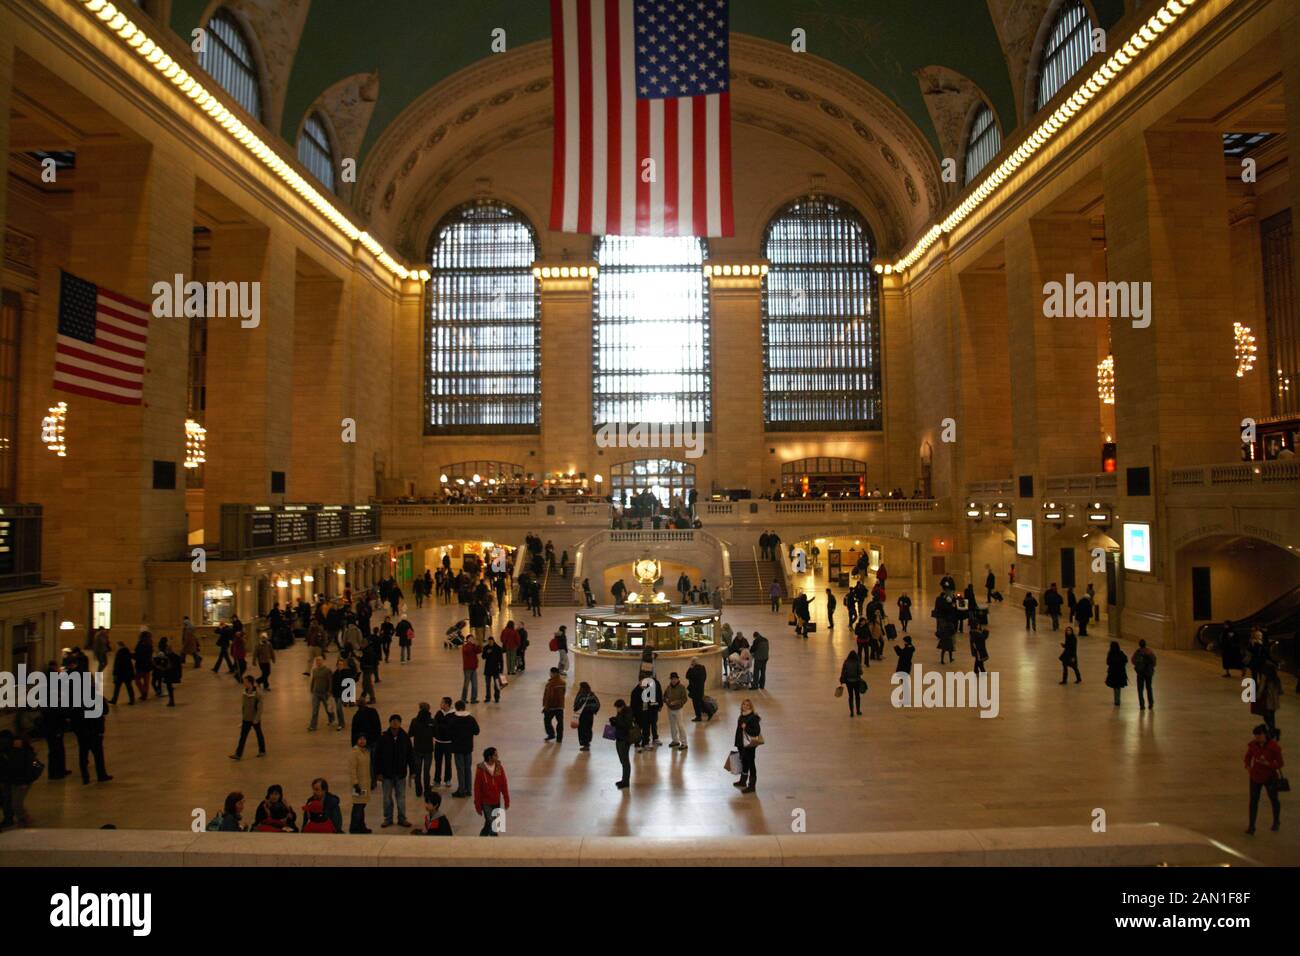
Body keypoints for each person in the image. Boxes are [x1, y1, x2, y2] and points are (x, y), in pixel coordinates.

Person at [374, 714, 413, 828]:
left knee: (401, 798)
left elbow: (410, 755)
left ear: (400, 723)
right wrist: (378, 773)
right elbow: (377, 756)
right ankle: (388, 819)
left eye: (397, 721)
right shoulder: (383, 738)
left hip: (400, 774)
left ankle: (402, 818)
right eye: (393, 721)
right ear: (390, 723)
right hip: (387, 774)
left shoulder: (405, 737)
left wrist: (413, 771)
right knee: (387, 798)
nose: (395, 723)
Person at [1244, 724, 1283, 835]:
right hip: (1255, 776)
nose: (1256, 737)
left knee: (1274, 799)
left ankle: (1276, 821)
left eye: (1258, 735)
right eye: (1255, 735)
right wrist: (1248, 767)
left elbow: (1280, 763)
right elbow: (1248, 757)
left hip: (1270, 777)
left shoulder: (1274, 747)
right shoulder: (1253, 745)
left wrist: (1268, 764)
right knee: (1253, 801)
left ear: (1264, 734)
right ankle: (1252, 826)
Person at [71, 704, 111, 785]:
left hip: (82, 730)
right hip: (93, 729)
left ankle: (85, 777)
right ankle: (101, 775)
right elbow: (105, 710)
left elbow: (72, 715)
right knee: (98, 754)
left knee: (83, 754)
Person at [473, 747, 510, 837]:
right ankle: (494, 839)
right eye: (495, 755)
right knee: (492, 823)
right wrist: (477, 805)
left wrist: (506, 799)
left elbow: (503, 784)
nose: (497, 757)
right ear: (489, 757)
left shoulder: (499, 768)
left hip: (496, 801)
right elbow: (477, 788)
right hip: (485, 802)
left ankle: (482, 836)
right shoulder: (480, 770)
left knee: (489, 822)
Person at [229, 675, 266, 760]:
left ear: (250, 682)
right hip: (246, 718)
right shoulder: (244, 692)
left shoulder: (257, 694)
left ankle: (262, 751)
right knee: (243, 736)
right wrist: (243, 718)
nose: (244, 683)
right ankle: (238, 754)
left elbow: (260, 708)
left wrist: (256, 719)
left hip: (254, 719)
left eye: (245, 682)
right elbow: (244, 706)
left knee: (259, 734)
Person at [449, 700, 480, 798]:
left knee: (460, 769)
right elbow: (477, 731)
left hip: (458, 748)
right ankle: (468, 789)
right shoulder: (470, 719)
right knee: (468, 768)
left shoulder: (453, 719)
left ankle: (461, 789)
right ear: (464, 707)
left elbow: (448, 732)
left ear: (456, 708)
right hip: (468, 747)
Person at [733, 699, 763, 794]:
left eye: (747, 705)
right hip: (741, 745)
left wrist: (746, 728)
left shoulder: (753, 718)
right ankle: (743, 781)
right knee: (744, 762)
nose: (745, 706)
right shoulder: (741, 716)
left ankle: (752, 786)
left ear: (750, 707)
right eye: (743, 704)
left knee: (751, 764)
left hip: (749, 746)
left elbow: (756, 732)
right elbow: (739, 732)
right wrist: (737, 743)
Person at [409, 702, 436, 797]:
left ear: (420, 709)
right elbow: (435, 734)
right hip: (428, 749)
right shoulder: (432, 721)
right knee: (426, 771)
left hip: (417, 749)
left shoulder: (414, 721)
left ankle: (418, 790)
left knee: (418, 771)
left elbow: (410, 733)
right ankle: (427, 790)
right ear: (428, 710)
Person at [348, 733, 373, 833]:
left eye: (364, 739)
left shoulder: (366, 752)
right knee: (358, 806)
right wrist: (355, 783)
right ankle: (354, 827)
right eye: (360, 739)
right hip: (358, 785)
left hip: (365, 784)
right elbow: (352, 769)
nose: (362, 741)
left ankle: (361, 826)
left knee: (362, 805)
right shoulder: (354, 752)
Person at [610, 700, 636, 789]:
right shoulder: (621, 712)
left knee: (625, 761)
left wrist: (616, 721)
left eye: (618, 708)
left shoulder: (628, 712)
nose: (617, 710)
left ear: (622, 706)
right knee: (622, 760)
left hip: (624, 740)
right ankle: (624, 780)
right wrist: (614, 721)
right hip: (619, 738)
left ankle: (626, 781)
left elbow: (627, 724)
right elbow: (620, 722)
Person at [432, 697, 455, 788]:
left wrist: (442, 726)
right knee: (438, 762)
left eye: (442, 702)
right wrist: (444, 727)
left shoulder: (453, 714)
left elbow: (451, 727)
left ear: (447, 704)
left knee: (448, 762)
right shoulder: (438, 713)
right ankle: (437, 780)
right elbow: (435, 726)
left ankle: (448, 779)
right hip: (438, 742)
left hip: (449, 743)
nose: (440, 704)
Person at [308, 656, 335, 731]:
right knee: (315, 710)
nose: (318, 662)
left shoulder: (327, 670)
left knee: (328, 709)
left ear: (323, 661)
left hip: (325, 693)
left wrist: (329, 691)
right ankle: (313, 726)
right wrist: (311, 689)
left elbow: (330, 681)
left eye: (319, 660)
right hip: (316, 693)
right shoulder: (314, 670)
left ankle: (331, 719)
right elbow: (313, 680)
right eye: (316, 661)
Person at [663, 673, 689, 749]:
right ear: (670, 679)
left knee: (680, 725)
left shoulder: (682, 687)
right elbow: (664, 697)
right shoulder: (668, 688)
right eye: (672, 679)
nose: (673, 680)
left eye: (675, 679)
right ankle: (675, 740)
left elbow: (684, 699)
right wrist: (666, 700)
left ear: (677, 679)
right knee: (672, 725)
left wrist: (676, 702)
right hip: (670, 709)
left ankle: (684, 743)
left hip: (678, 709)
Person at [573, 681, 601, 751]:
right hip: (590, 715)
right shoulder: (592, 695)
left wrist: (577, 710)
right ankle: (587, 743)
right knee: (588, 729)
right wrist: (593, 710)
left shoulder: (581, 694)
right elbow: (597, 704)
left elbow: (576, 704)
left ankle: (585, 744)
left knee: (582, 729)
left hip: (582, 715)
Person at [543, 667, 567, 743]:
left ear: (554, 673)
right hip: (560, 706)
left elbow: (549, 696)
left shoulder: (550, 684)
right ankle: (559, 738)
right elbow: (563, 693)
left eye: (551, 673)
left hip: (551, 707)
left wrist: (546, 706)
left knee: (547, 720)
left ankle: (551, 734)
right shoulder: (563, 683)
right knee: (560, 722)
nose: (550, 674)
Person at [1131, 640, 1157, 710]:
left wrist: (1138, 664)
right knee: (1149, 688)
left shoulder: (1138, 652)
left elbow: (1133, 660)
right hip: (1148, 673)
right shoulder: (1149, 651)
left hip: (1140, 673)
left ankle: (1142, 705)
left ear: (1139, 645)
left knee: (1140, 689)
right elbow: (1154, 661)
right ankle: (1151, 704)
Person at [109, 642, 135, 706]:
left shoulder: (119, 653)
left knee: (117, 688)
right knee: (129, 687)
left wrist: (114, 673)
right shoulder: (127, 652)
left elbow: (116, 665)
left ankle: (114, 700)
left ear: (119, 646)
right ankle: (132, 700)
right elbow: (130, 664)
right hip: (127, 673)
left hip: (120, 674)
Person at [1104, 641, 1128, 706]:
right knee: (1118, 687)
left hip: (1113, 673)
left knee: (1115, 686)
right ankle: (1117, 700)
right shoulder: (1121, 653)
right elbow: (1126, 660)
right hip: (1120, 673)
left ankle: (1116, 700)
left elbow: (1108, 662)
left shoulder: (1110, 654)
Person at [840, 651, 864, 717]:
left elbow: (843, 671)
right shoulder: (857, 662)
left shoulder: (846, 662)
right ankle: (858, 711)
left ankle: (851, 712)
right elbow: (860, 672)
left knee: (850, 696)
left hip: (848, 681)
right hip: (856, 681)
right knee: (857, 696)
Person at [481, 635, 504, 703]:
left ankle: (497, 697)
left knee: (496, 685)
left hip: (496, 669)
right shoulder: (486, 648)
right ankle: (488, 697)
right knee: (487, 685)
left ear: (493, 641)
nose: (490, 643)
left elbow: (501, 660)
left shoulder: (498, 648)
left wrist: (501, 670)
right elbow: (483, 657)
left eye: (491, 641)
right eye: (489, 642)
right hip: (488, 670)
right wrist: (487, 653)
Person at [460, 632, 481, 704]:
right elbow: (468, 651)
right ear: (468, 639)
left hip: (474, 668)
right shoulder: (465, 646)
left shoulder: (473, 646)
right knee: (466, 684)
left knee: (475, 684)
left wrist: (477, 645)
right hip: (467, 668)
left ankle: (473, 699)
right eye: (471, 638)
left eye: (473, 638)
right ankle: (463, 699)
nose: (473, 639)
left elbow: (479, 651)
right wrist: (471, 644)